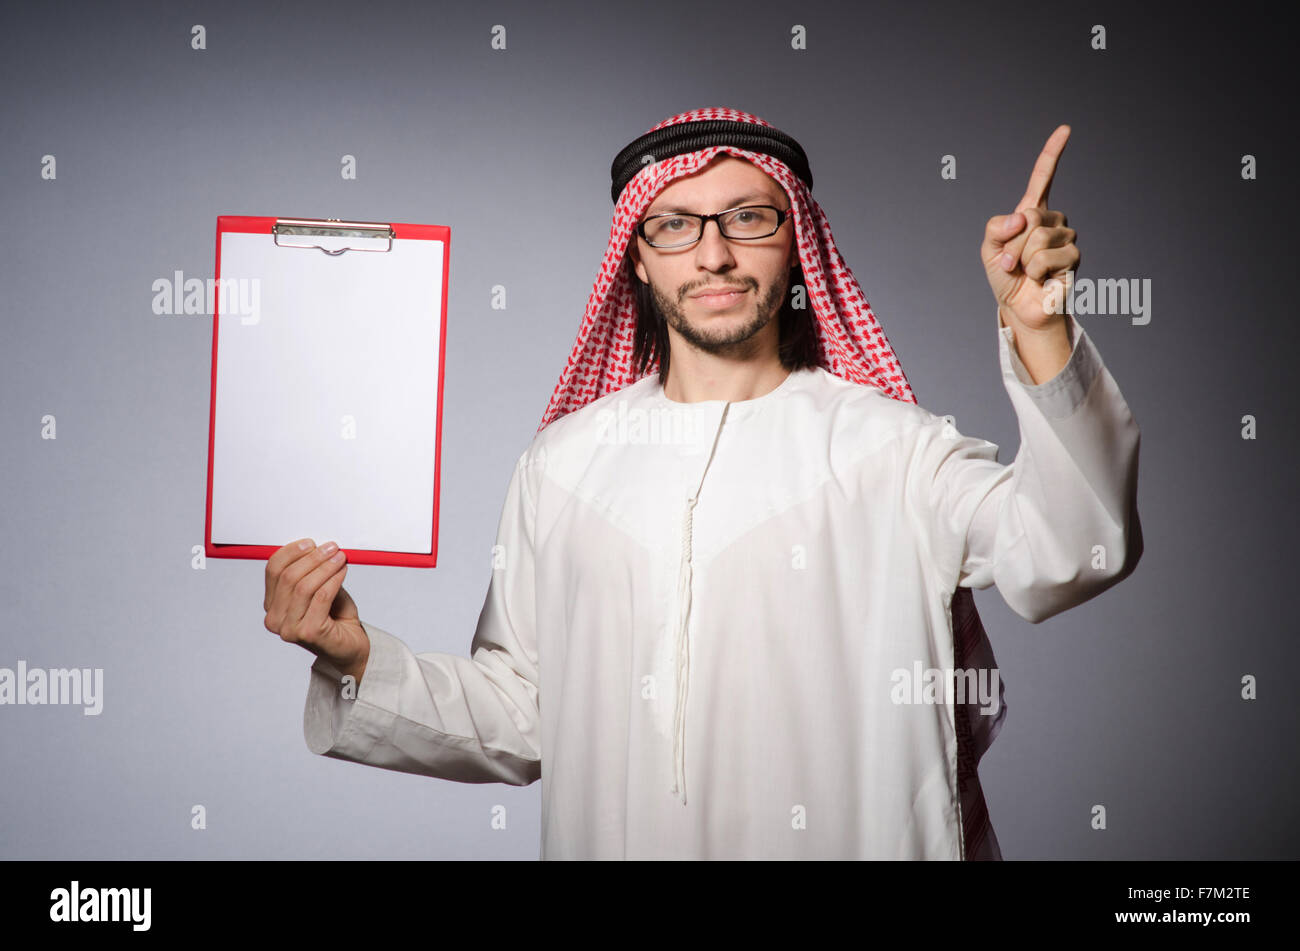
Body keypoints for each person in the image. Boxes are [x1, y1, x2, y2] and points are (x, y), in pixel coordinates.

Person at [263, 106, 1142, 860]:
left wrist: (1041, 330)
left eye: (748, 218)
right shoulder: (561, 468)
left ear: (796, 240)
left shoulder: (894, 451)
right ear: (637, 260)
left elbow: (1074, 547)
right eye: (676, 224)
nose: (713, 253)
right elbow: (524, 713)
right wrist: (356, 659)